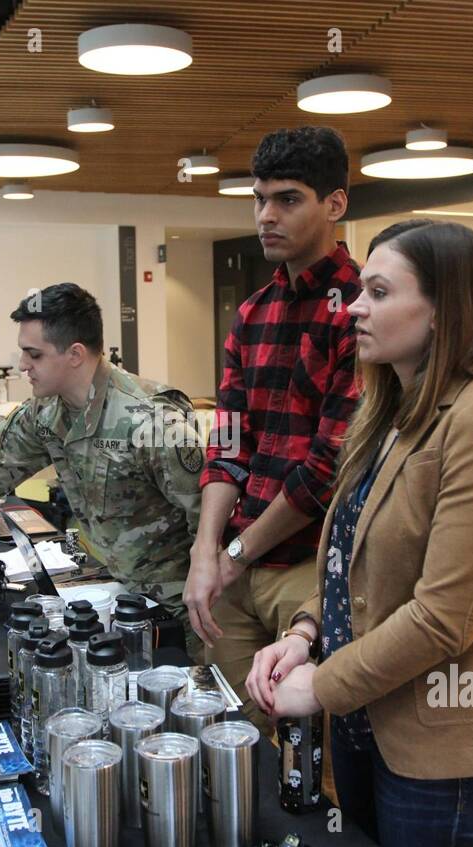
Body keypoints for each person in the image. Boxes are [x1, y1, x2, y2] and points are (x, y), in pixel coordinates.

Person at [246, 220, 473, 847]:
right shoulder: (385, 412)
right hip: (362, 726)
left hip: (437, 743)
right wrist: (302, 635)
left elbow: (442, 619)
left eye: (378, 292)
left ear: (442, 312)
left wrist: (319, 686)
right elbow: (347, 568)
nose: (355, 307)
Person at [0, 282, 205, 657]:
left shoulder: (150, 420)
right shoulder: (46, 413)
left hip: (182, 612)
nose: (22, 366)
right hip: (117, 598)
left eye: (34, 354)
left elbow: (211, 524)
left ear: (75, 354)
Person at [184, 126, 362, 734]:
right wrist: (206, 551)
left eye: (287, 199)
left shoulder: (362, 310)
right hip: (238, 566)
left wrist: (233, 553)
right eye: (259, 199)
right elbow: (229, 444)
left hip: (309, 571)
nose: (266, 215)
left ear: (334, 204)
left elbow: (327, 469)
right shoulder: (253, 312)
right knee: (240, 742)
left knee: (316, 753)